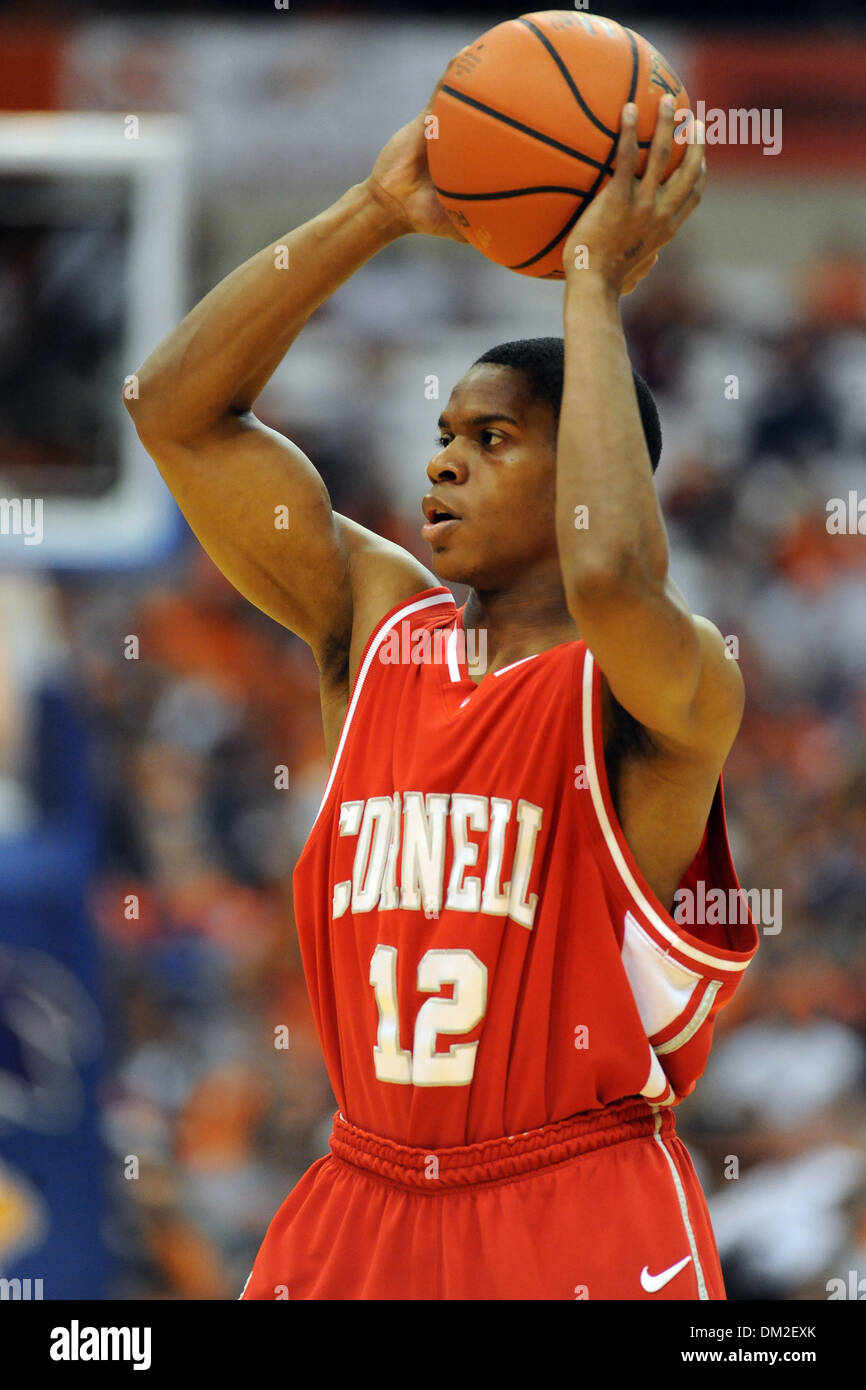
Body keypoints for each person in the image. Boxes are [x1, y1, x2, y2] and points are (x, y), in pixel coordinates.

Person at [125, 93, 758, 1300]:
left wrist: (591, 281)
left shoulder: (661, 687)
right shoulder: (376, 631)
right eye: (440, 433)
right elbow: (173, 414)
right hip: (358, 1195)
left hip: (572, 1202)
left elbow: (611, 572)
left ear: (583, 458)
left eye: (492, 437)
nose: (440, 460)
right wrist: (373, 211)